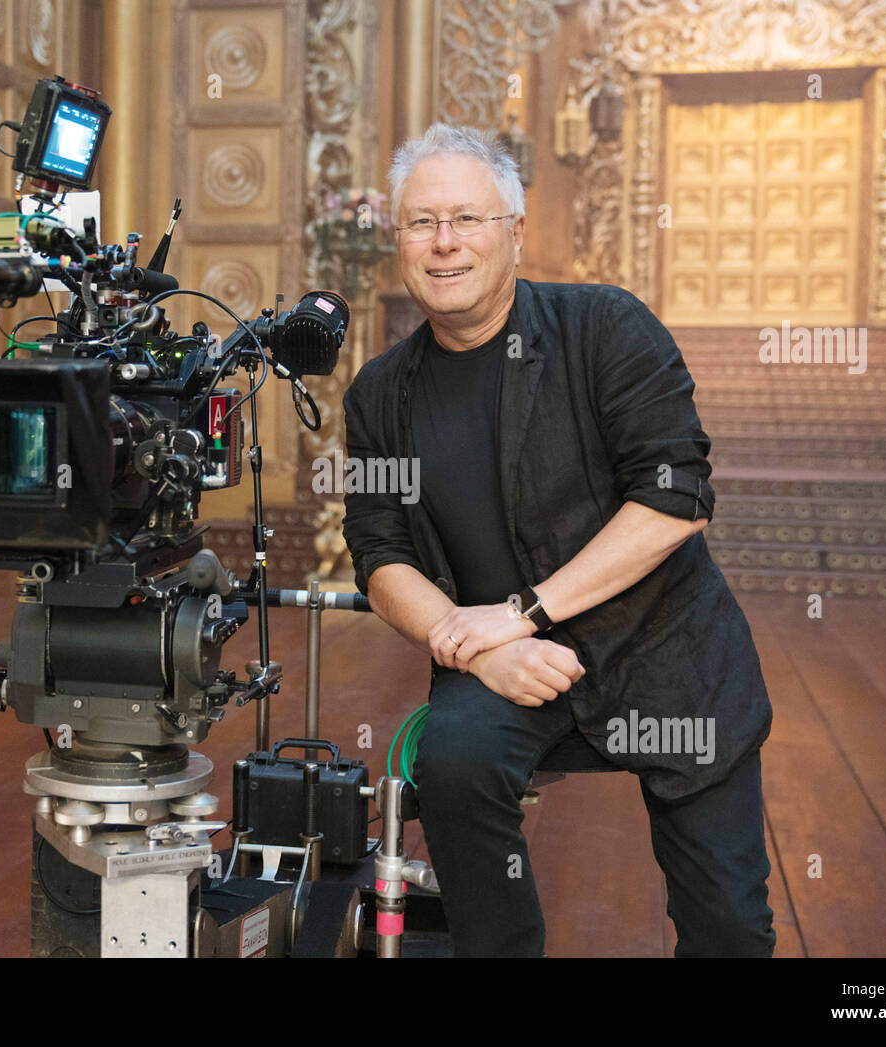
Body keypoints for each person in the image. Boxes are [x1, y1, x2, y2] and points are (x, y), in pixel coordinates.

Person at [340, 123, 775, 957]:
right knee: (455, 758)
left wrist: (523, 612)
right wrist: (470, 647)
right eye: (420, 222)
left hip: (667, 654)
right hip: (497, 664)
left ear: (515, 230)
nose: (443, 243)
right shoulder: (379, 395)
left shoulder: (606, 327)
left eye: (465, 218)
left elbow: (676, 498)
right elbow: (380, 553)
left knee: (730, 927)